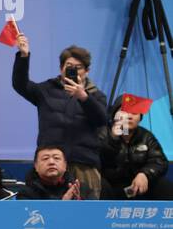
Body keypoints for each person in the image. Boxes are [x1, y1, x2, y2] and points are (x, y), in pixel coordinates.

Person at [12, 37, 108, 199]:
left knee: (87, 217)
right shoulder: (46, 90)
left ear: (87, 71)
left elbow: (102, 120)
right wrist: (23, 56)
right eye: (69, 67)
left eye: (78, 68)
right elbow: (20, 85)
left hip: (84, 166)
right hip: (50, 166)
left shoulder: (96, 96)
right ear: (61, 68)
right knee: (45, 216)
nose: (73, 71)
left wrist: (83, 97)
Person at [100, 108, 173, 201]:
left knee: (164, 185)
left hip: (138, 186)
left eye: (134, 113)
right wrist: (113, 139)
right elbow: (98, 160)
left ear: (140, 118)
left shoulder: (146, 136)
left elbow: (159, 161)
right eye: (124, 112)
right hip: (112, 186)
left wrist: (144, 174)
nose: (129, 116)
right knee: (101, 185)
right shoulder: (103, 133)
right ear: (115, 116)